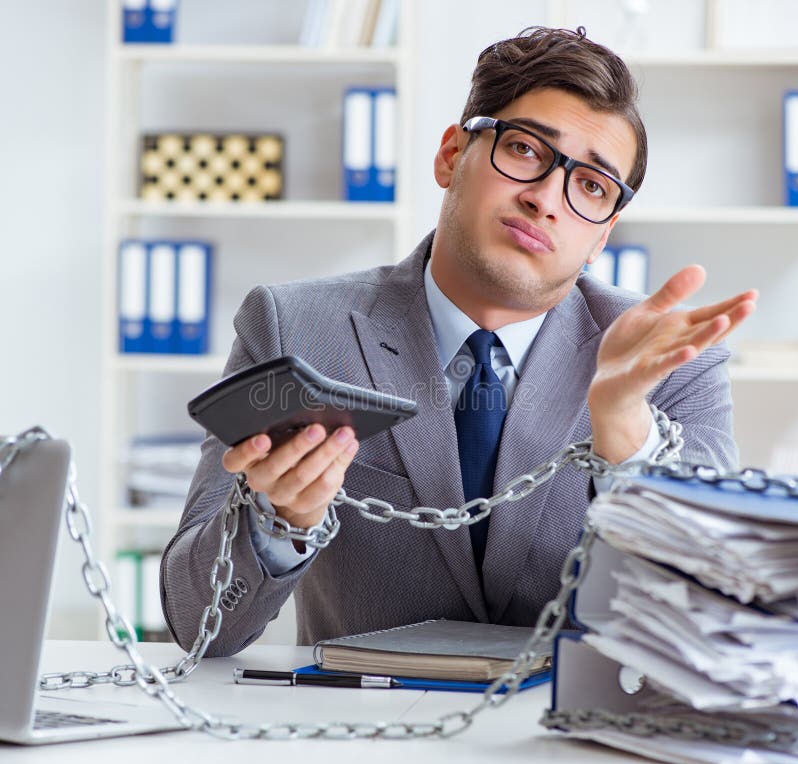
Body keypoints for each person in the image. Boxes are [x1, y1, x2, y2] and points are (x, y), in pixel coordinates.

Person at [160, 26, 757, 655]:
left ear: (602, 235)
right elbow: (198, 625)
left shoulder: (671, 362)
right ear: (451, 155)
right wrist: (279, 521)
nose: (546, 200)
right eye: (525, 149)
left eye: (591, 186)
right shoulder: (293, 328)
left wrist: (626, 433)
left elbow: (718, 619)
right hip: (362, 713)